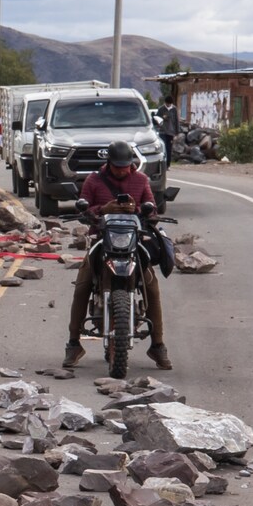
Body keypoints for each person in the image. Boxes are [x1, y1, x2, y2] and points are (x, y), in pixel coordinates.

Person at [63, 146, 173, 372]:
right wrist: (104, 208)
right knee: (82, 285)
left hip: (133, 242)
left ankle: (158, 344)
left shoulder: (141, 180)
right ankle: (74, 343)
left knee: (152, 287)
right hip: (102, 240)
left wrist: (139, 209)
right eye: (117, 167)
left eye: (126, 167)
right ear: (109, 163)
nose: (122, 171)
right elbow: (84, 207)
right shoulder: (94, 180)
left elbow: (151, 211)